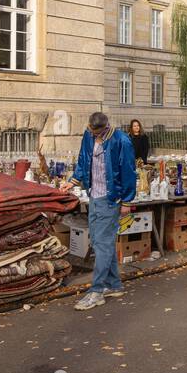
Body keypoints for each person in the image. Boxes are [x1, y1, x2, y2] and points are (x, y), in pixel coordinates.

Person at [62, 112, 136, 311]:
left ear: (105, 128)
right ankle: (114, 284)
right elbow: (83, 160)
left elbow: (129, 171)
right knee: (99, 241)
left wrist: (127, 201)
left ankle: (96, 291)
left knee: (102, 244)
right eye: (90, 131)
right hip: (94, 195)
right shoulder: (88, 135)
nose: (93, 135)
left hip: (112, 198)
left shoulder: (122, 141)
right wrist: (72, 182)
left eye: (96, 133)